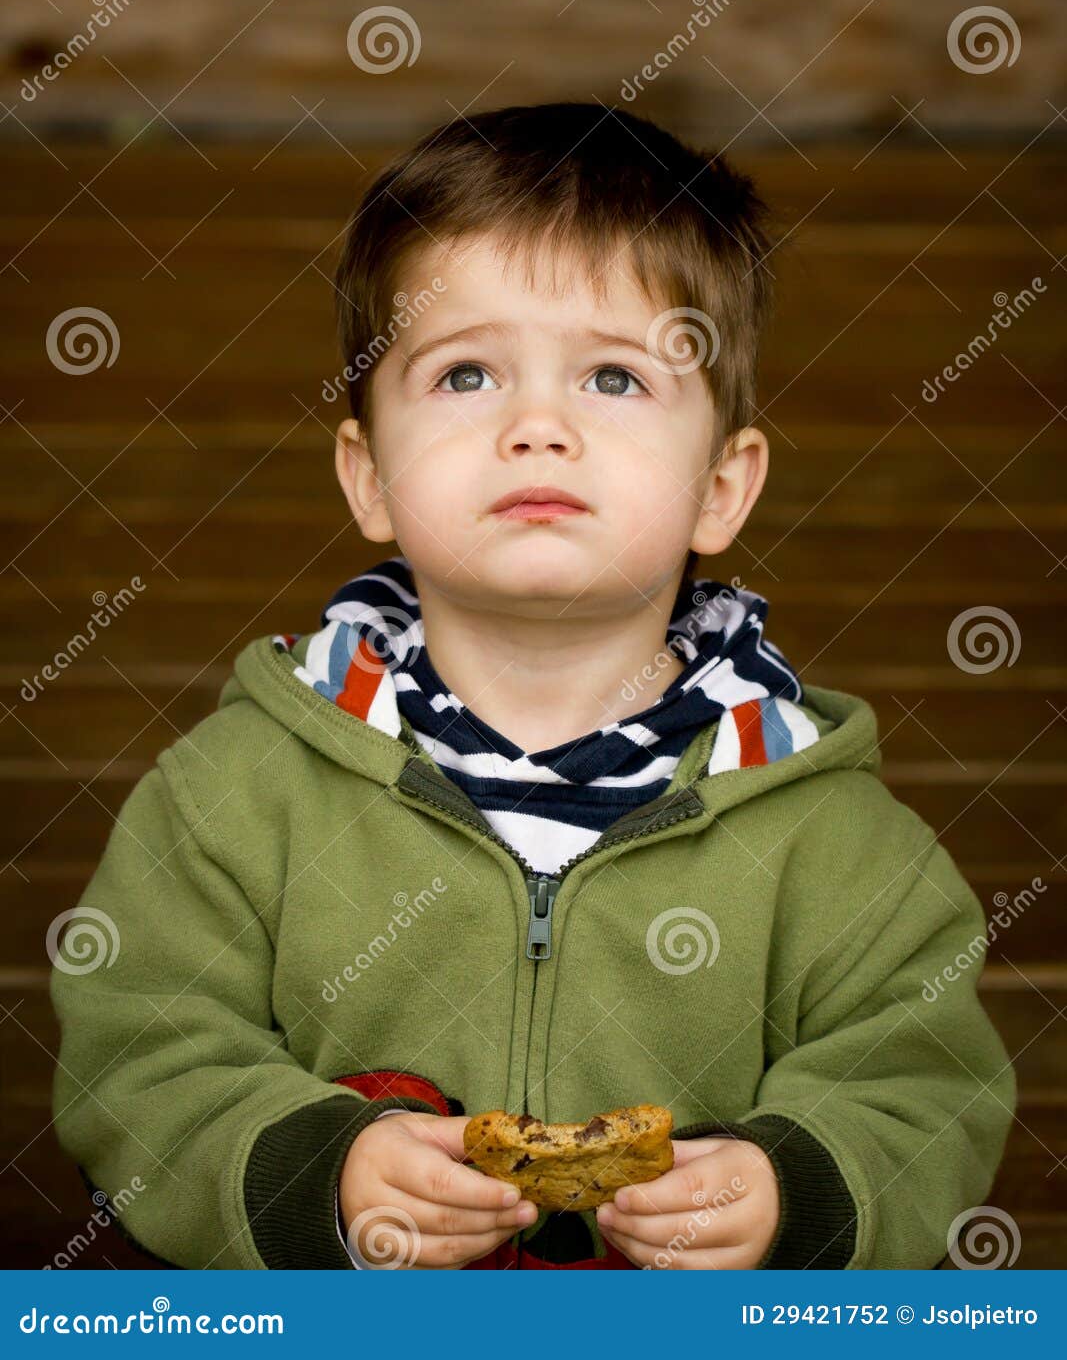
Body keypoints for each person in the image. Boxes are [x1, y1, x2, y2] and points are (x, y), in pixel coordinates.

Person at [50, 102, 1014, 1270]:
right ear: (369, 475)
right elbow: (137, 1052)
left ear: (721, 483)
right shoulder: (235, 792)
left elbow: (919, 1085)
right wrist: (325, 1173)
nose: (537, 427)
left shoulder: (833, 832)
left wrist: (788, 1192)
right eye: (465, 374)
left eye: (612, 378)